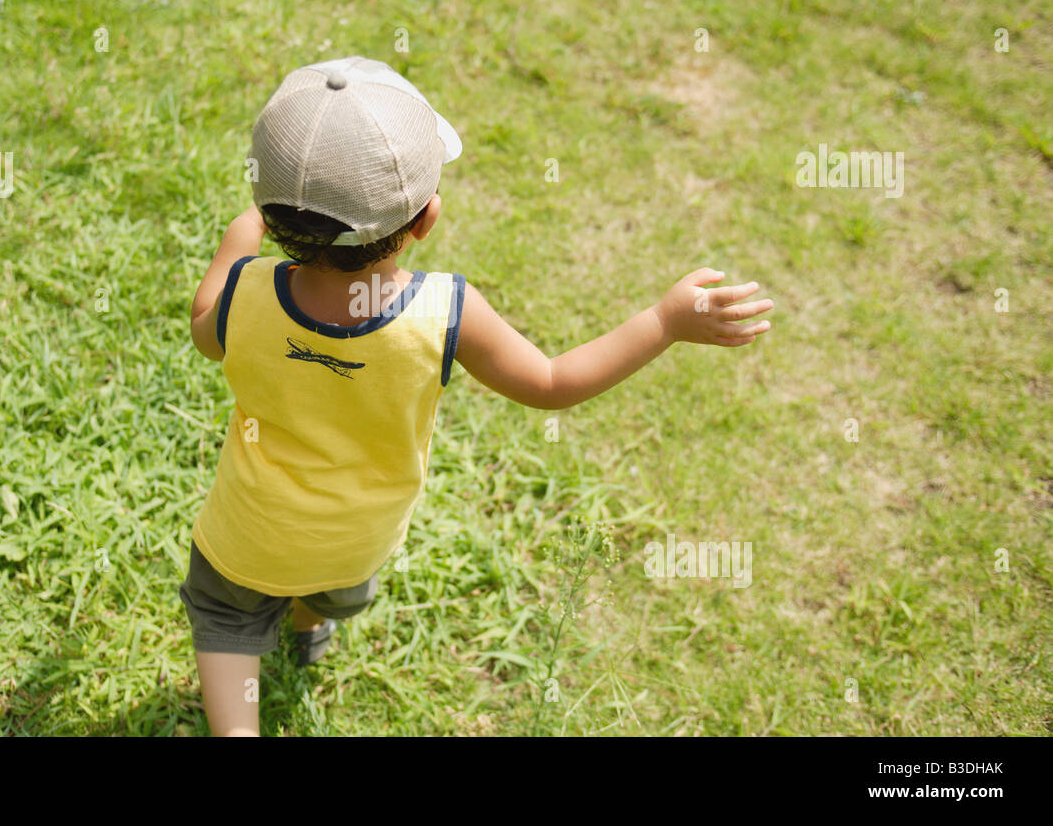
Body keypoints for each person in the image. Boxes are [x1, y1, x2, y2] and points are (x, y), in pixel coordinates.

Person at [184, 56, 773, 735]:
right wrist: (664, 323)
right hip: (355, 541)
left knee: (228, 621)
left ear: (272, 211)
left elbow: (206, 332)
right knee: (324, 589)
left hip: (247, 535)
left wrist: (235, 247)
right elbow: (553, 384)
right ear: (425, 218)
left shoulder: (245, 296)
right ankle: (309, 627)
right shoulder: (444, 311)